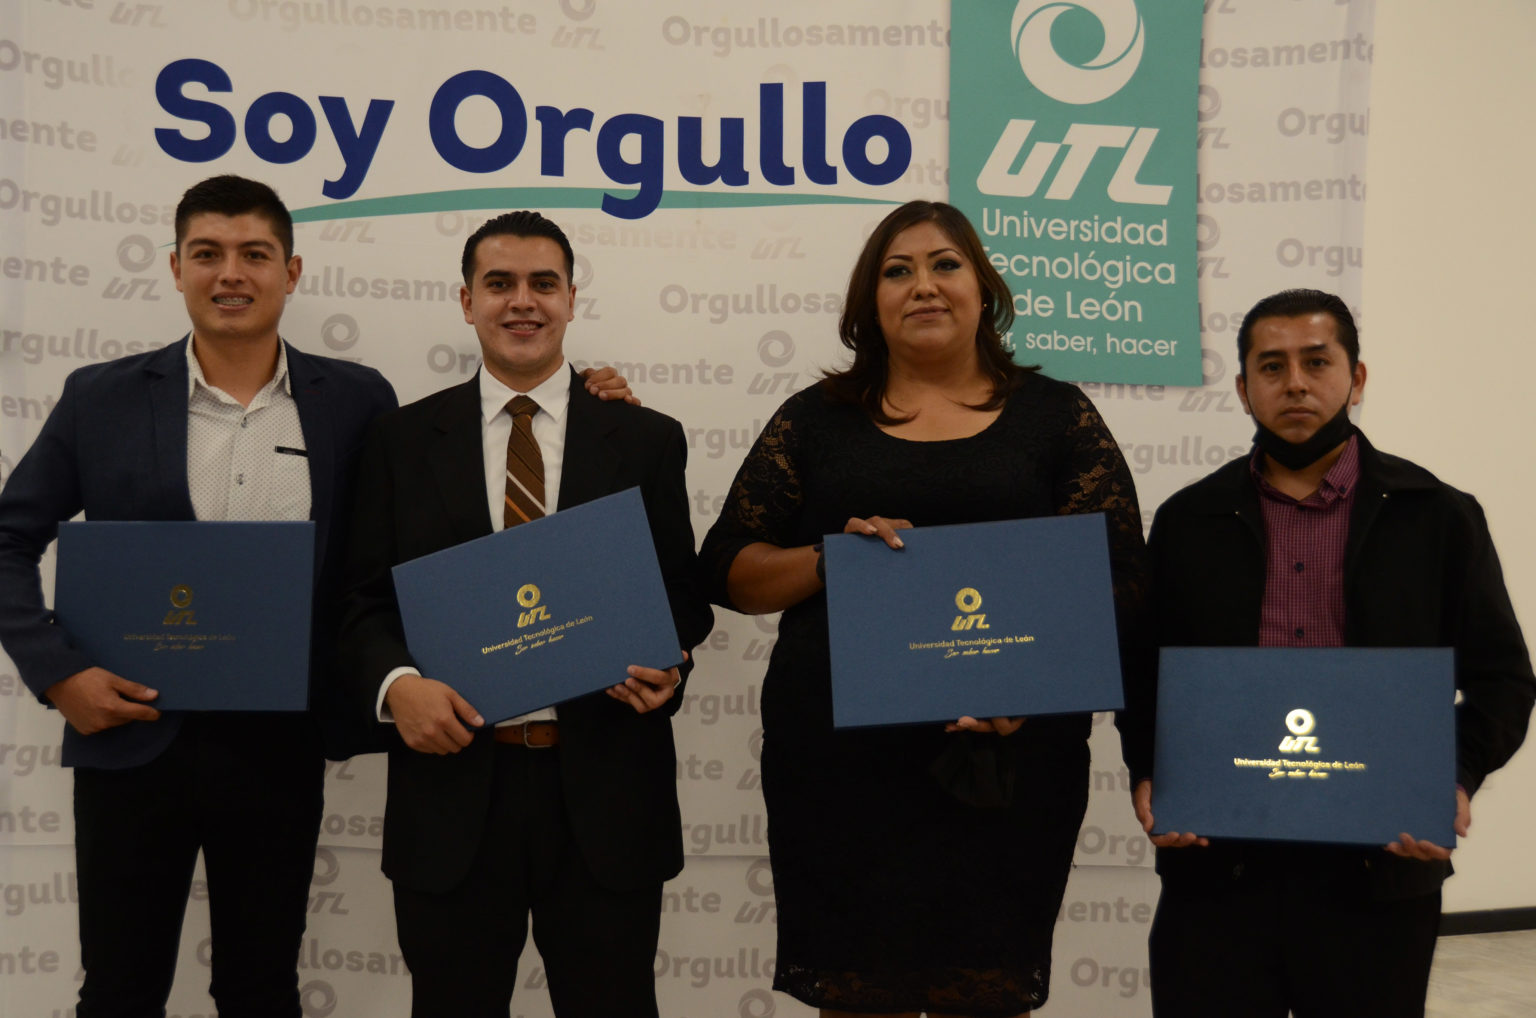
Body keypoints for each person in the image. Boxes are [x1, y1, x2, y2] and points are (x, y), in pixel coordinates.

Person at [0, 176, 633, 1018]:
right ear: (176, 268)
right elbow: (9, 538)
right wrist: (56, 672)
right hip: (129, 738)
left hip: (281, 747)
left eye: (255, 254)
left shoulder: (355, 402)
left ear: (291, 272)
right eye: (208, 253)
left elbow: (410, 533)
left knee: (262, 990)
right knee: (118, 992)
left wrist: (587, 401)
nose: (232, 273)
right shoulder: (100, 397)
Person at [698, 200, 1148, 1018]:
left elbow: (1118, 579)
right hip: (842, 770)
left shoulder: (1056, 416)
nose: (924, 285)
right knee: (858, 998)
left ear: (984, 288)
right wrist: (831, 558)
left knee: (987, 995)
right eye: (897, 271)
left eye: (945, 264)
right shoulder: (816, 420)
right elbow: (727, 568)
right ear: (869, 301)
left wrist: (1031, 691)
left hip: (1009, 763)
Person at [337, 210, 713, 1018]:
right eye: (499, 283)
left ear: (572, 299)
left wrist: (671, 666)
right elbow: (361, 600)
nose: (522, 301)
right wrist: (397, 685)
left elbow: (681, 595)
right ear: (465, 300)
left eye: (544, 283)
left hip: (607, 793)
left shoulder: (646, 439)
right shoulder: (400, 441)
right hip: (453, 795)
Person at [1122, 289, 1535, 1017]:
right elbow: (1143, 669)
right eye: (1272, 367)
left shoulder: (1438, 516)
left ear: (1357, 377)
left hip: (1379, 868)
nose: (1296, 384)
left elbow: (1503, 679)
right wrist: (1151, 770)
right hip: (1218, 867)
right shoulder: (1189, 520)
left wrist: (1453, 777)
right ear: (1243, 389)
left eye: (1317, 362)